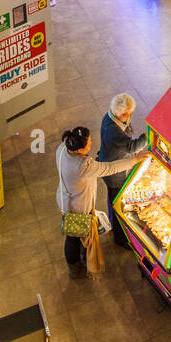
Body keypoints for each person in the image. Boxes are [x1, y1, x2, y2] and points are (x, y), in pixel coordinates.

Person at [56, 126, 146, 279]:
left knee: (73, 236)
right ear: (80, 150)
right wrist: (134, 160)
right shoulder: (84, 166)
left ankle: (78, 264)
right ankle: (77, 267)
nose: (91, 143)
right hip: (79, 207)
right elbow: (109, 168)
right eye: (89, 143)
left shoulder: (62, 149)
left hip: (64, 200)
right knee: (77, 237)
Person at [97, 94, 146, 249]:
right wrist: (149, 135)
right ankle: (120, 238)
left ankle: (113, 222)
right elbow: (133, 146)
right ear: (120, 114)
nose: (130, 116)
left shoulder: (109, 116)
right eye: (128, 114)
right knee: (117, 203)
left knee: (113, 200)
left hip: (109, 164)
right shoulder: (113, 131)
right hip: (114, 173)